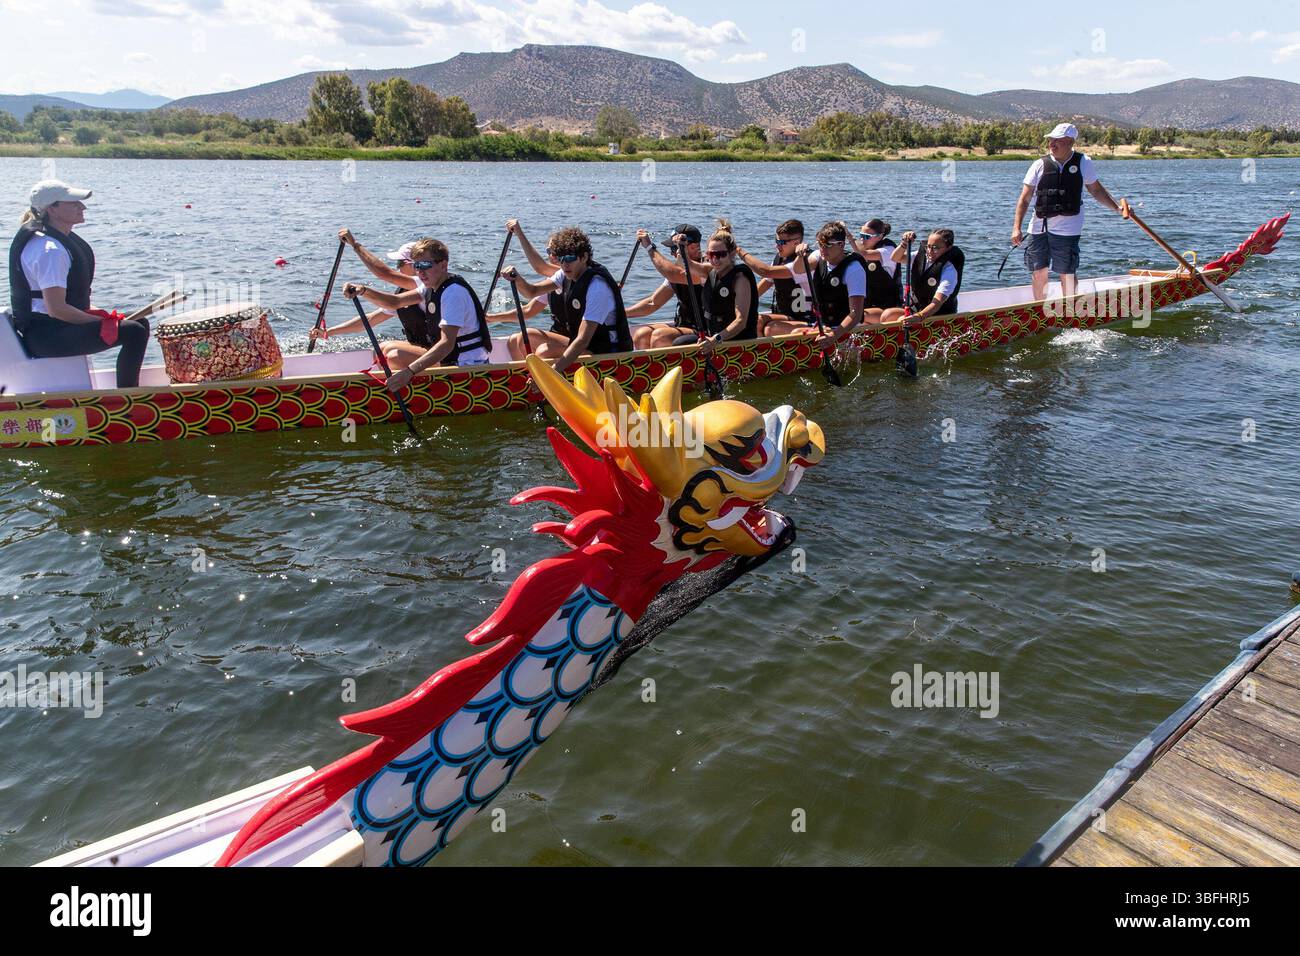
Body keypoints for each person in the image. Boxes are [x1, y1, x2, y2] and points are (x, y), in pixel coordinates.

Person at [7, 179, 150, 388]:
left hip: (57, 328)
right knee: (134, 332)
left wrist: (104, 316)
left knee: (140, 323)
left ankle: (128, 392)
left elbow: (66, 303)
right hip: (47, 335)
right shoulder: (50, 250)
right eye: (73, 203)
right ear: (52, 209)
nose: (82, 207)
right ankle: (128, 401)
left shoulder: (54, 242)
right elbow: (57, 309)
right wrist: (101, 322)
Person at [341, 238, 492, 388]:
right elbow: (394, 302)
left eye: (425, 265)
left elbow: (447, 344)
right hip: (451, 356)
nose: (420, 272)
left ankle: (403, 387)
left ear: (444, 265)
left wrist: (409, 372)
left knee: (393, 357)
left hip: (466, 365)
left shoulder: (453, 293)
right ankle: (397, 386)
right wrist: (363, 291)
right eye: (417, 266)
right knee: (382, 350)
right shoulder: (430, 287)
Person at [1012, 122, 1124, 301]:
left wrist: (1117, 207)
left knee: (1067, 272)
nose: (1051, 144)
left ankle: (1070, 308)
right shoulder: (1039, 164)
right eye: (1050, 140)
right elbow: (1025, 198)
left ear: (1070, 142)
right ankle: (1040, 309)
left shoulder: (1083, 162)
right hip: (1038, 227)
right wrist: (1016, 227)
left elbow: (1096, 190)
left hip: (1068, 229)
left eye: (1057, 141)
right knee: (1038, 270)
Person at [500, 226, 632, 376]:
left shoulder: (598, 288)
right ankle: (527, 382)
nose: (564, 264)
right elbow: (531, 292)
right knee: (523, 337)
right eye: (561, 259)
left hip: (609, 354)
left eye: (569, 259)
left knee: (544, 351)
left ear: (584, 257)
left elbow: (582, 340)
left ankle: (542, 384)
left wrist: (553, 373)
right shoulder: (564, 274)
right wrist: (517, 280)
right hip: (585, 345)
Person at [644, 219, 759, 355]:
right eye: (711, 255)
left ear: (732, 253)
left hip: (736, 341)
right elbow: (685, 263)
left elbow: (741, 321)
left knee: (677, 343)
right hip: (714, 337)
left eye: (720, 255)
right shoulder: (709, 270)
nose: (715, 260)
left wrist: (715, 340)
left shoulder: (740, 279)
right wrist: (680, 244)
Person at [743, 221, 866, 345]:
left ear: (841, 245)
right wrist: (800, 256)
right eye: (820, 244)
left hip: (843, 328)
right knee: (758, 322)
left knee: (788, 331)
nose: (823, 249)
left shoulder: (854, 269)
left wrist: (833, 336)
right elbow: (798, 269)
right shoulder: (818, 256)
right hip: (821, 324)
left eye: (828, 245)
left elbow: (855, 314)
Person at [310, 231, 426, 347]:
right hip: (424, 348)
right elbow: (369, 320)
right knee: (384, 350)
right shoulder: (405, 293)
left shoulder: (424, 285)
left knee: (389, 350)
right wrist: (328, 332)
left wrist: (355, 244)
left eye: (400, 263)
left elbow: (385, 274)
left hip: (437, 354)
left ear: (415, 265)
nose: (397, 267)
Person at [627, 224, 708, 348]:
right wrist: (620, 313)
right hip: (684, 326)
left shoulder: (706, 268)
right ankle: (649, 367)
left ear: (693, 247)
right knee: (641, 334)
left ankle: (664, 366)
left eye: (673, 249)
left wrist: (649, 247)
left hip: (707, 331)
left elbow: (674, 274)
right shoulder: (676, 273)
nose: (672, 254)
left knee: (660, 336)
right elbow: (652, 303)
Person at [884, 229, 964, 321]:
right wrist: (904, 243)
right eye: (928, 246)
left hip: (938, 314)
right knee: (887, 315)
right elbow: (895, 258)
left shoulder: (949, 270)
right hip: (917, 308)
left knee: (901, 320)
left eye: (935, 248)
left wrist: (919, 316)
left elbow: (938, 302)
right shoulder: (921, 256)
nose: (930, 251)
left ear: (948, 248)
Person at [848, 218, 902, 312]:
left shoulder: (888, 250)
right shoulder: (862, 247)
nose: (862, 239)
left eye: (866, 236)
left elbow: (864, 254)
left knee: (856, 316)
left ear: (880, 237)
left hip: (887, 306)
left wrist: (849, 237)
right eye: (861, 235)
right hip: (868, 303)